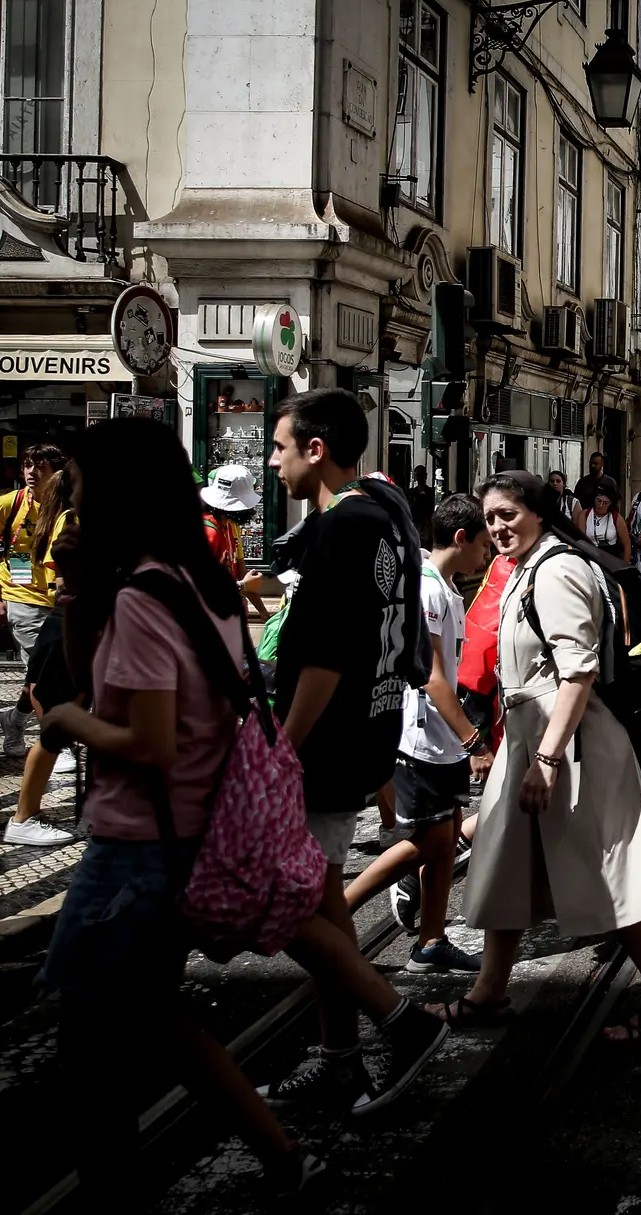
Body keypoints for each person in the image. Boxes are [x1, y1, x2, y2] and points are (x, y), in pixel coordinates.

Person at [37, 418, 323, 1198]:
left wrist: (65, 723)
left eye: (81, 483)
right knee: (156, 1025)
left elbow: (146, 739)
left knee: (90, 1056)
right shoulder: (204, 586)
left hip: (135, 850)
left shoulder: (142, 597)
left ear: (117, 491)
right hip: (189, 835)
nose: (71, 495)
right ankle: (281, 1154)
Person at [435, 472, 641, 1046]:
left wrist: (547, 759)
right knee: (504, 863)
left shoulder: (555, 570)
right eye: (490, 517)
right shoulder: (528, 566)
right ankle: (488, 994)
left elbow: (578, 669)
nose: (497, 527)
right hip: (536, 737)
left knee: (609, 872)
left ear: (540, 513)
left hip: (569, 744)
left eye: (508, 514)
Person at [259, 387, 450, 1113]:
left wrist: (282, 746)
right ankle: (340, 1054)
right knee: (321, 897)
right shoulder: (383, 515)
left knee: (293, 904)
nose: (273, 463)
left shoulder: (344, 527)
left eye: (280, 448)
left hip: (327, 741)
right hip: (364, 732)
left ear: (316, 450)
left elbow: (326, 654)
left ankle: (398, 1024)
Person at [342, 494, 494, 973]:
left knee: (445, 840)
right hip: (423, 737)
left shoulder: (444, 585)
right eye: (485, 545)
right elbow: (430, 675)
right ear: (461, 538)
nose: (489, 556)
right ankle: (332, 911)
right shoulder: (428, 590)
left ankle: (431, 941)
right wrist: (473, 740)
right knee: (427, 844)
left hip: (441, 739)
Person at [7, 467, 77, 846]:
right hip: (68, 632)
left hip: (78, 632)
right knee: (54, 729)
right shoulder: (75, 518)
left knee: (63, 725)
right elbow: (65, 581)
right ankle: (22, 818)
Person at [0, 443, 65, 757]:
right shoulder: (11, 504)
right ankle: (55, 740)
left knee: (38, 673)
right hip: (22, 597)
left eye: (39, 467)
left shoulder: (67, 507)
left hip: (60, 601)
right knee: (45, 674)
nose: (31, 473)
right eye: (27, 466)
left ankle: (14, 720)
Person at [201, 463, 270, 620]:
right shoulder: (209, 534)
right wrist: (242, 586)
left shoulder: (229, 528)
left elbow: (238, 572)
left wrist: (263, 612)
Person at [582, 482, 632, 562]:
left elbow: (627, 545)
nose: (601, 505)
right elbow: (580, 540)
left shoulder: (616, 518)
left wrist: (624, 568)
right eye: (598, 501)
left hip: (611, 559)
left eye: (605, 503)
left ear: (611, 504)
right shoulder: (584, 515)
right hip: (590, 557)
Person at [575, 451, 619, 515]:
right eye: (591, 463)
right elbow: (576, 503)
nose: (592, 466)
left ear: (602, 464)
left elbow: (615, 505)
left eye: (596, 463)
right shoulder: (582, 482)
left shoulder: (610, 483)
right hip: (585, 517)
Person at [407, 464, 436, 537]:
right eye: (418, 475)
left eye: (422, 475)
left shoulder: (431, 492)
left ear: (425, 475)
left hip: (427, 527)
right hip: (415, 526)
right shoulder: (411, 493)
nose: (420, 478)